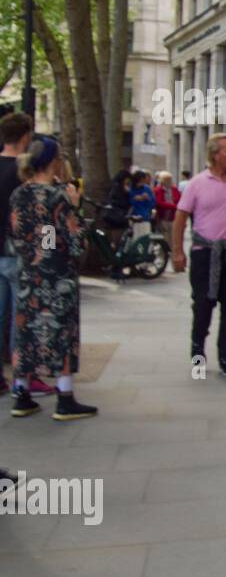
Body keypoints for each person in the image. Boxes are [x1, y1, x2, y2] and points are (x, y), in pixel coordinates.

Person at [8, 135, 97, 420]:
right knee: (63, 334)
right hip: (57, 278)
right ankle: (65, 396)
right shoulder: (57, 196)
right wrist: (74, 207)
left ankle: (21, 394)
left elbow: (23, 234)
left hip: (28, 274)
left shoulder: (19, 193)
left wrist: (37, 250)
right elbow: (72, 243)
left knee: (25, 332)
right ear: (54, 162)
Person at [172, 133, 226, 377]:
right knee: (203, 307)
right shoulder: (197, 183)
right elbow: (180, 219)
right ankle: (198, 353)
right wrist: (177, 252)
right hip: (205, 254)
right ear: (214, 155)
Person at [0, 112, 35, 398]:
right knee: (20, 317)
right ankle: (21, 378)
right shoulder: (24, 171)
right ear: (25, 136)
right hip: (17, 252)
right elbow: (40, 218)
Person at [153, 171, 181, 244]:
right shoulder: (158, 190)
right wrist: (173, 206)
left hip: (174, 217)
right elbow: (159, 203)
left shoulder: (174, 189)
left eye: (170, 179)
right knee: (164, 238)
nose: (170, 181)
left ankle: (172, 254)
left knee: (173, 239)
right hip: (163, 218)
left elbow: (179, 199)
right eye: (167, 179)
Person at [129, 170, 156, 240]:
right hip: (134, 217)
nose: (141, 183)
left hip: (145, 217)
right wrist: (135, 199)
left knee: (145, 237)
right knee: (135, 237)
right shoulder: (130, 189)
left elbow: (153, 203)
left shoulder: (146, 188)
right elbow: (128, 201)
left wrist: (147, 198)